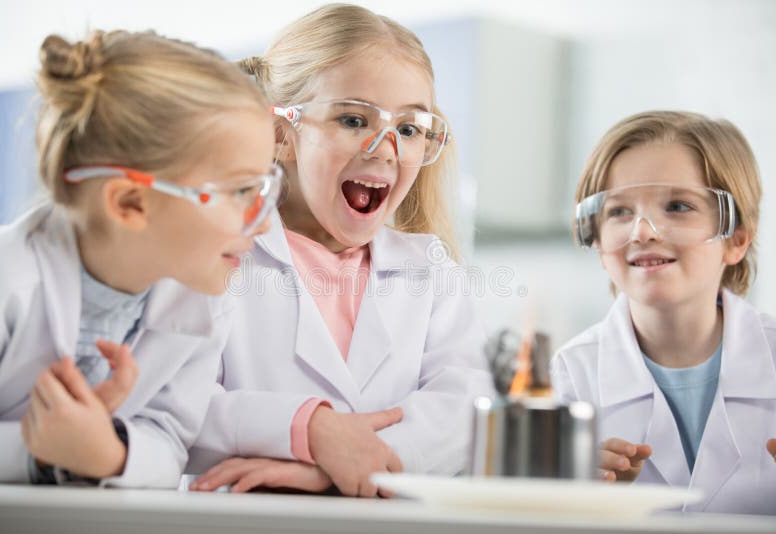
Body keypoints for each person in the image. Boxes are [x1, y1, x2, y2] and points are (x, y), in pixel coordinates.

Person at [188, 3, 495, 497]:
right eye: (353, 119)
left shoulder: (430, 270)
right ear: (281, 135)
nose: (386, 148)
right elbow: (175, 401)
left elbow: (465, 407)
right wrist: (310, 430)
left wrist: (352, 466)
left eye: (409, 129)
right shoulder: (214, 254)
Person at [0, 29, 280, 487]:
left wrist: (109, 453)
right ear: (130, 203)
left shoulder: (202, 298)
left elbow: (170, 439)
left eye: (263, 189)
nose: (265, 223)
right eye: (240, 192)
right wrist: (43, 454)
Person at [551, 110, 776, 514]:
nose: (641, 232)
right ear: (598, 241)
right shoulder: (572, 375)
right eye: (619, 211)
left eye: (677, 206)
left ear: (736, 239)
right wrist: (579, 499)